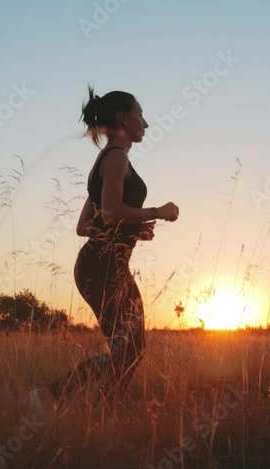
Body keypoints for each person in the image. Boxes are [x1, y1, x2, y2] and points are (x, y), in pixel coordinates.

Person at [49, 86, 179, 399]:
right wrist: (158, 212)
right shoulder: (116, 159)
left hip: (105, 265)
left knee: (129, 349)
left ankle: (101, 409)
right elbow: (110, 213)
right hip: (102, 268)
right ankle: (51, 396)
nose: (145, 123)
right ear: (123, 118)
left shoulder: (105, 161)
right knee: (128, 348)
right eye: (140, 115)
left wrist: (135, 231)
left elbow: (85, 225)